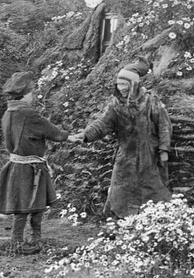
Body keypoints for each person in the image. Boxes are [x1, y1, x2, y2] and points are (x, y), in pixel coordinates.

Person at [68, 61, 172, 218]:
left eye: (125, 84)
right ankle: (118, 223)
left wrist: (164, 150)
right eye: (119, 84)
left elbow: (164, 126)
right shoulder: (115, 105)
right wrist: (86, 134)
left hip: (150, 155)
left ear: (134, 84)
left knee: (152, 188)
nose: (121, 88)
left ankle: (154, 222)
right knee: (120, 188)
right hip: (126, 155)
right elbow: (102, 123)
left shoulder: (151, 101)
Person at [0, 71, 69, 254]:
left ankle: (25, 240)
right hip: (30, 167)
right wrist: (73, 136)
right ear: (25, 94)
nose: (33, 96)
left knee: (25, 204)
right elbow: (55, 133)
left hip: (16, 165)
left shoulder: (8, 113)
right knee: (29, 205)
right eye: (31, 92)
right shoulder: (29, 115)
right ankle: (24, 240)